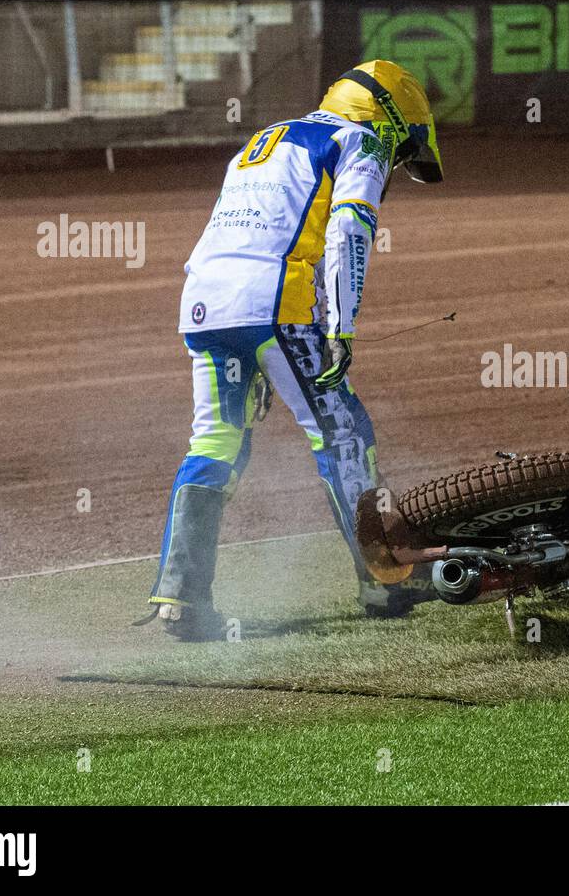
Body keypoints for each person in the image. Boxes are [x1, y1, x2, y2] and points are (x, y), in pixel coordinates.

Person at [146, 60, 442, 640]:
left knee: (215, 443)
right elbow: (349, 230)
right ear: (388, 118)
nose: (395, 164)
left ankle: (179, 599)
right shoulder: (359, 140)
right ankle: (384, 580)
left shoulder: (262, 141)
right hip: (275, 304)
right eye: (402, 150)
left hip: (204, 302)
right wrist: (341, 328)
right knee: (343, 433)